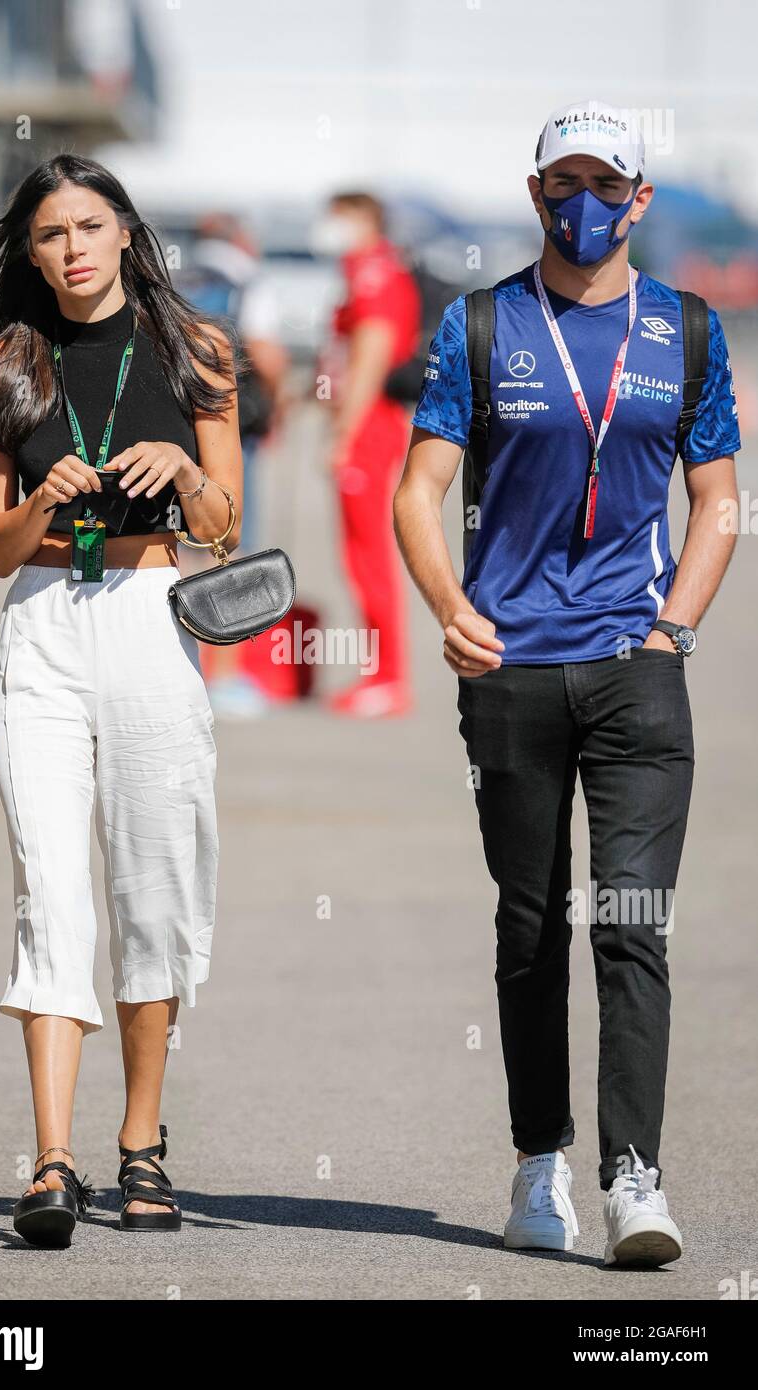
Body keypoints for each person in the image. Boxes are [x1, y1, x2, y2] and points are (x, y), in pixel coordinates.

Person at [393, 101, 741, 1267]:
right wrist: (449, 609)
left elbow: (718, 501)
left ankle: (632, 1178)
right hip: (509, 673)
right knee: (531, 928)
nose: (580, 205)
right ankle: (538, 1160)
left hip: (636, 672)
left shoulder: (687, 331)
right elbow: (416, 488)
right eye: (561, 183)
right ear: (531, 191)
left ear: (640, 200)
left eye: (605, 185)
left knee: (630, 927)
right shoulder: (479, 326)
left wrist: (672, 631)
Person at [0, 153, 243, 1246]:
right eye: (52, 232)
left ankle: (142, 1144)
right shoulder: (5, 366)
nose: (72, 247)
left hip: (153, 617)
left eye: (91, 226)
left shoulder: (194, 350)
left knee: (152, 885)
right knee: (50, 891)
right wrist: (45, 497)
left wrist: (178, 465)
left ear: (124, 234)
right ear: (30, 250)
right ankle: (52, 1160)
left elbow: (224, 525)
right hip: (44, 627)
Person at [312, 192, 421, 718]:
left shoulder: (375, 273)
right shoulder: (358, 272)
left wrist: (345, 433)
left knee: (368, 553)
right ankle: (377, 674)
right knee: (356, 554)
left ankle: (387, 677)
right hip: (361, 421)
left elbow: (373, 353)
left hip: (370, 426)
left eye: (341, 217)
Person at [177, 212, 289, 719]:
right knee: (230, 546)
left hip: (175, 437)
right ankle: (227, 676)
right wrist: (278, 410)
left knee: (179, 547)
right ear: (241, 238)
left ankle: (180, 665)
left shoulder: (176, 279)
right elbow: (267, 358)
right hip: (230, 432)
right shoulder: (248, 284)